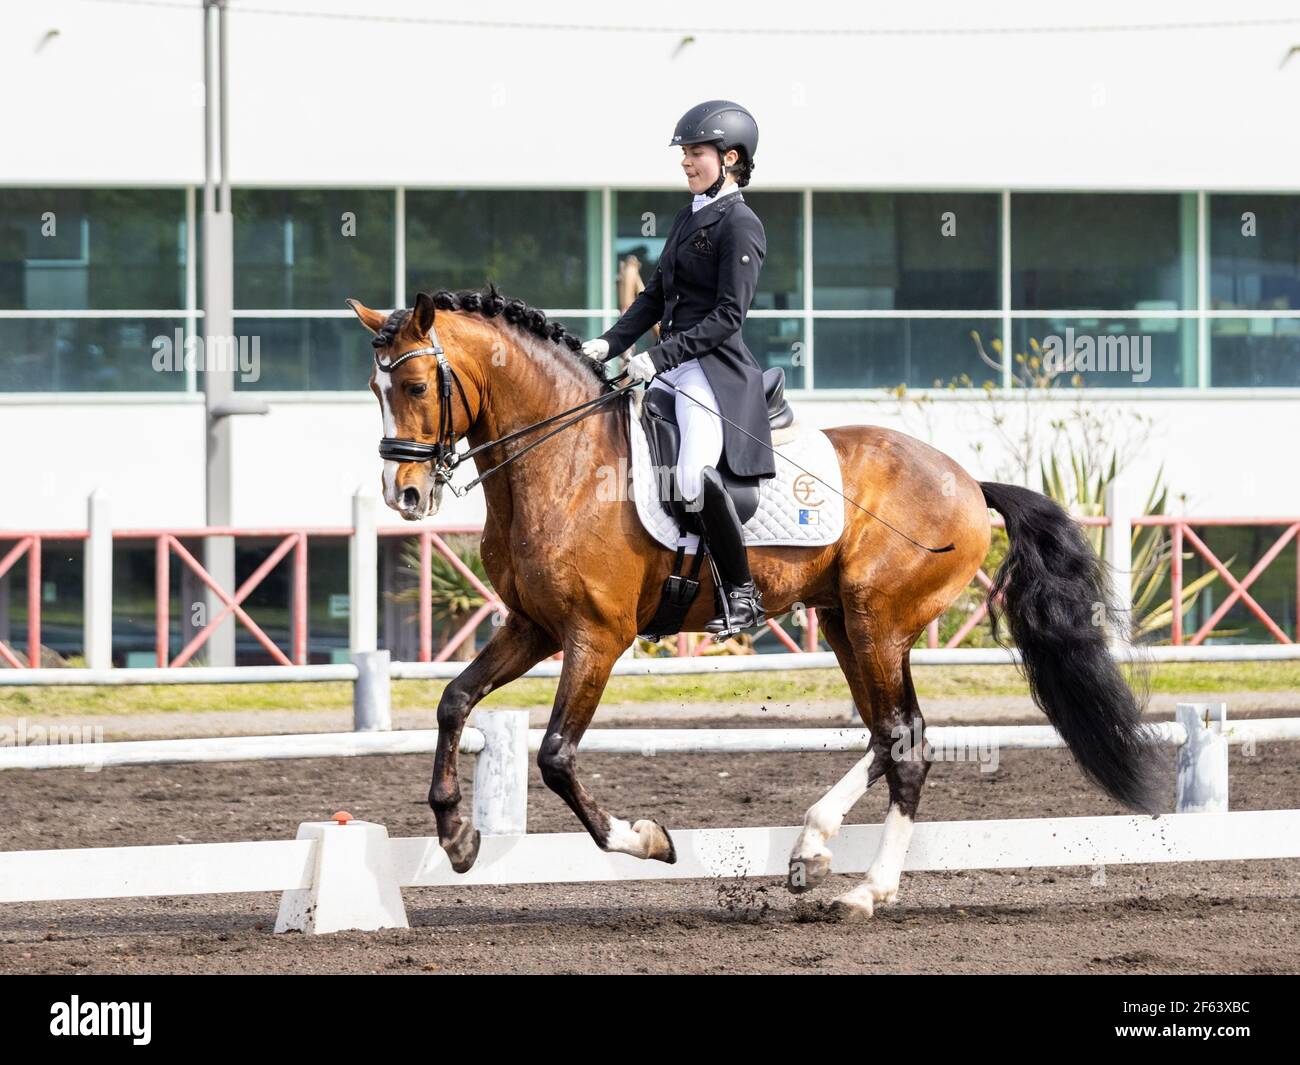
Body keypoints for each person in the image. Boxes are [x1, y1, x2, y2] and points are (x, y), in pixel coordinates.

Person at [582, 100, 774, 636]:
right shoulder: (688, 214)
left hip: (712, 372)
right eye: (684, 154)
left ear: (729, 158)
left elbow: (728, 317)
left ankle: (742, 595)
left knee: (690, 475)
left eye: (695, 153)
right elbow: (656, 295)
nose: (686, 163)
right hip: (668, 365)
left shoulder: (741, 223)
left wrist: (654, 357)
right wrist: (609, 343)